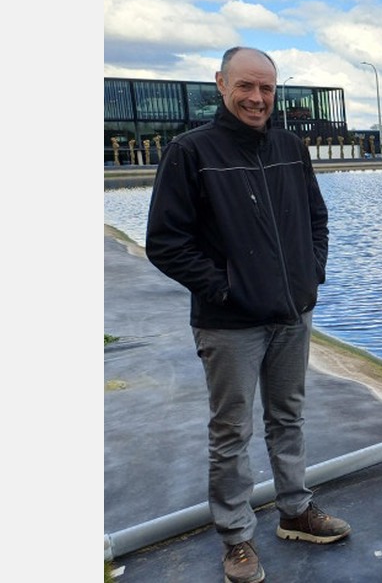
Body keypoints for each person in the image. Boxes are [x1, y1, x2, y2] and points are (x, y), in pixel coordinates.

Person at [145, 46, 349, 583]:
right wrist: (227, 290)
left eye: (266, 88)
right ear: (221, 84)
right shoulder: (191, 153)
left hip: (291, 314)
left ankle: (295, 511)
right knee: (230, 432)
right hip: (229, 324)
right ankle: (236, 539)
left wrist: (311, 275)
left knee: (288, 419)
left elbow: (316, 219)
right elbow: (166, 242)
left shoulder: (289, 146)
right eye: (246, 87)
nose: (257, 98)